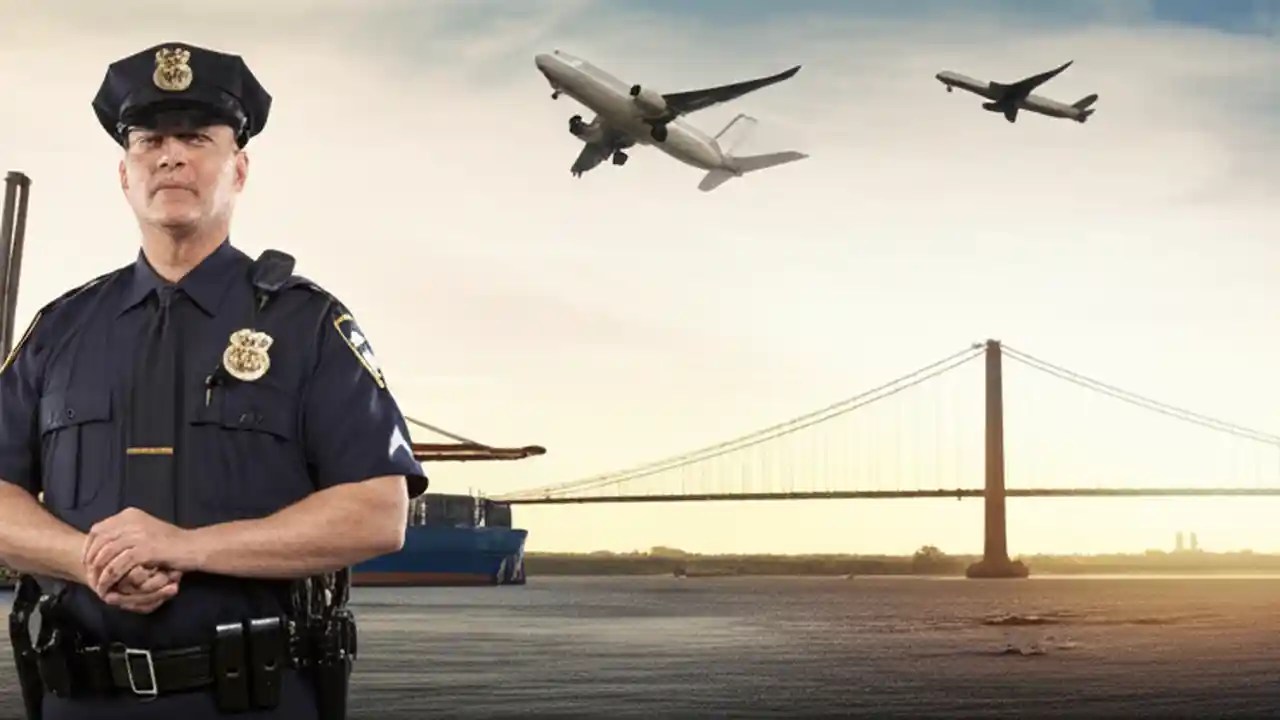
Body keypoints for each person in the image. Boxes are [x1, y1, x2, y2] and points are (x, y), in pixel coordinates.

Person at [0, 41, 429, 719]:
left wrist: (186, 547)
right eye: (150, 140)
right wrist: (87, 559)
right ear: (124, 173)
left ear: (239, 169)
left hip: (256, 700)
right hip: (80, 699)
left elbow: (379, 511)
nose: (171, 155)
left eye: (196, 137)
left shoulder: (308, 325)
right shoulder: (60, 331)